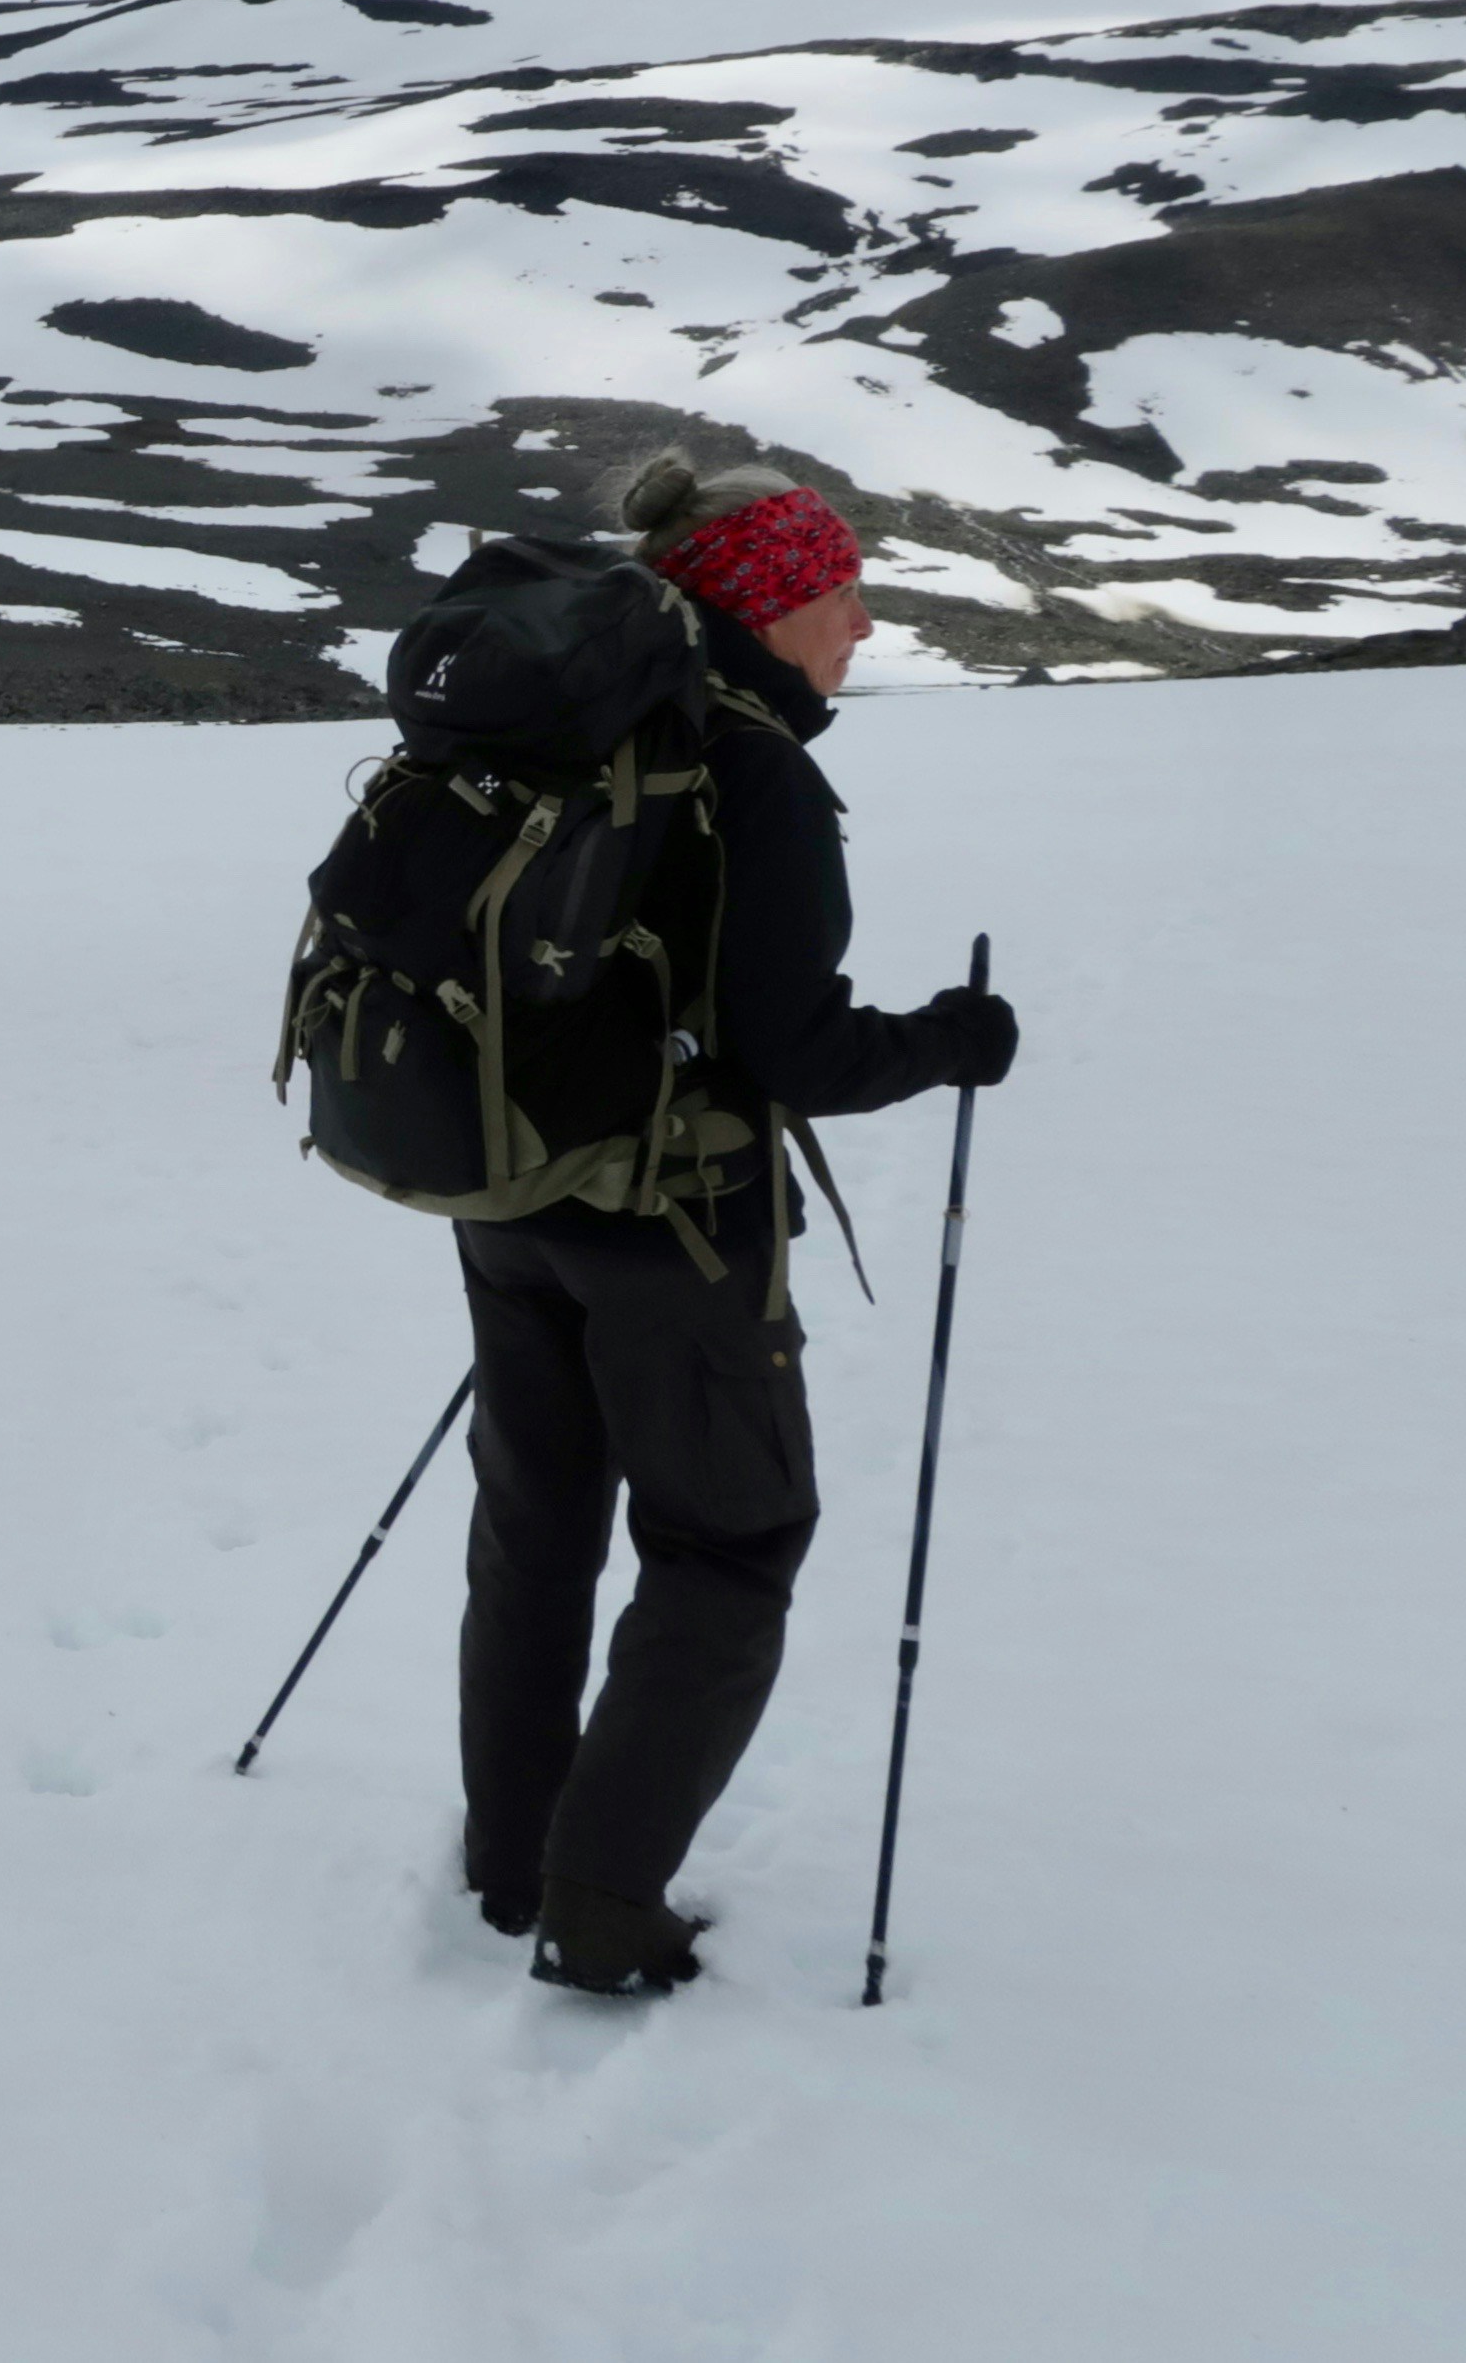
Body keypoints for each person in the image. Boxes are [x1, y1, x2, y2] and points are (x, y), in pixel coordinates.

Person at [461, 448, 1015, 1996]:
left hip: (506, 1188)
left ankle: (508, 1857)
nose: (862, 625)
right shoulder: (748, 761)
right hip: (672, 1221)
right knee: (729, 1537)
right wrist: (948, 1044)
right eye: (840, 594)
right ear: (769, 604)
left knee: (534, 1518)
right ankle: (600, 1904)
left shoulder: (580, 722)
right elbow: (795, 1055)